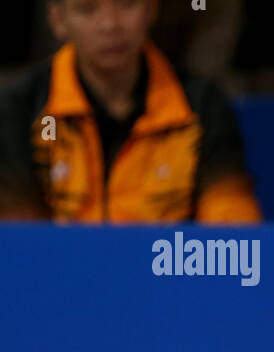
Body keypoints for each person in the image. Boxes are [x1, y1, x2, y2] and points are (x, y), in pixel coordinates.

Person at [0, 0, 260, 223]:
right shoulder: (20, 109)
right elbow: (20, 243)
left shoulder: (201, 105)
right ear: (57, 20)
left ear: (151, 9)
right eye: (87, 9)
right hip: (60, 275)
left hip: (169, 272)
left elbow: (231, 228)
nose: (110, 25)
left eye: (127, 4)